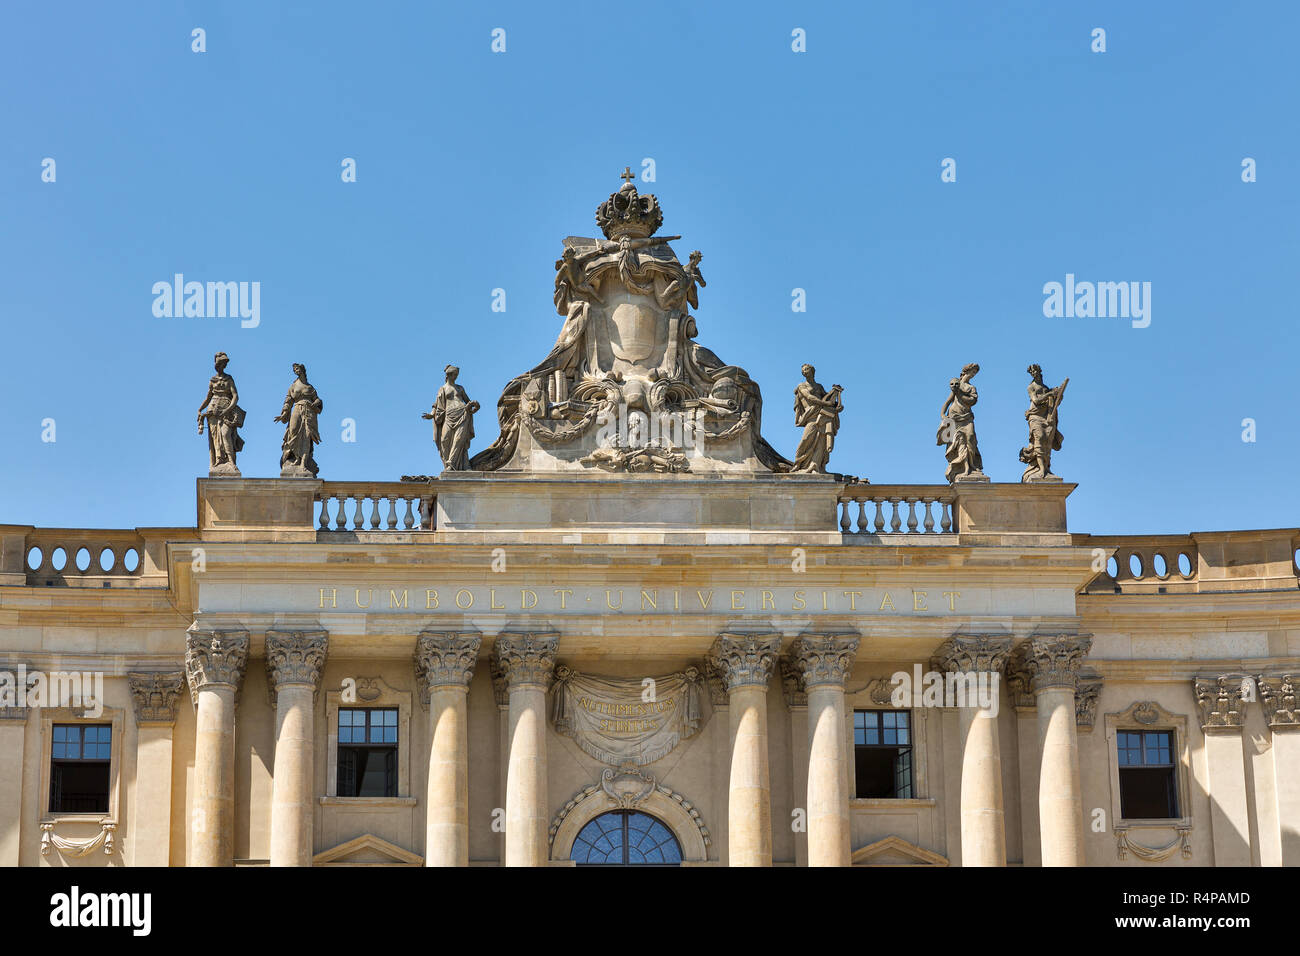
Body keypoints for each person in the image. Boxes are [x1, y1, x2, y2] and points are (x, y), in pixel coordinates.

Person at [196, 351, 245, 476]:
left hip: (226, 410)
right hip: (212, 411)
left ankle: (231, 462)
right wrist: (200, 409)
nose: (223, 365)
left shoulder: (229, 379)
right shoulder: (212, 380)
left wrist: (228, 409)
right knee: (215, 438)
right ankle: (219, 461)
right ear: (217, 365)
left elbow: (235, 396)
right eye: (221, 363)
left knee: (225, 434)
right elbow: (208, 398)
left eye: (224, 363)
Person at [424, 365, 480, 471]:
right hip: (449, 416)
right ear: (449, 375)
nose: (456, 377)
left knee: (459, 440)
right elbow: (436, 404)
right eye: (454, 374)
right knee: (444, 440)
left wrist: (475, 405)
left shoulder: (460, 388)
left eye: (457, 375)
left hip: (463, 414)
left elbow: (468, 401)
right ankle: (448, 464)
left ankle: (451, 464)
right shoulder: (443, 388)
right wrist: (431, 414)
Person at [936, 363, 985, 482]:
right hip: (954, 418)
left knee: (971, 437)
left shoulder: (971, 388)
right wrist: (943, 415)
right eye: (972, 372)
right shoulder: (957, 384)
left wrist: (959, 393)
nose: (973, 374)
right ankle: (964, 468)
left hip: (967, 417)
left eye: (974, 373)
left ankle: (973, 466)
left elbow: (972, 401)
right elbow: (948, 401)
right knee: (959, 442)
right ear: (966, 371)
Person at [791, 364, 843, 473]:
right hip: (811, 415)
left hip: (822, 415)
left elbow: (828, 399)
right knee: (806, 439)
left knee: (821, 441)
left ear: (812, 371)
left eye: (806, 369)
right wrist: (825, 402)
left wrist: (837, 405)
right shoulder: (802, 386)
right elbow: (810, 397)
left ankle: (815, 465)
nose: (804, 372)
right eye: (803, 370)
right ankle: (799, 463)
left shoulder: (819, 386)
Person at [1019, 364, 1067, 481]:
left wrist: (1057, 396)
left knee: (1047, 443)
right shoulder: (1031, 387)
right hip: (1035, 416)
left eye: (1035, 371)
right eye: (1032, 372)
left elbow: (1053, 403)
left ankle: (1046, 469)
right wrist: (1050, 394)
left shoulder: (1046, 388)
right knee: (1039, 438)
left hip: (1047, 417)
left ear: (1040, 372)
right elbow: (1036, 400)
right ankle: (1041, 470)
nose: (1034, 373)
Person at [274, 363, 323, 477]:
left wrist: (315, 403)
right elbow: (288, 401)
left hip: (309, 412)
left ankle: (303, 464)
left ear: (302, 370)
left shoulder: (310, 388)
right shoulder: (293, 386)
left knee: (306, 436)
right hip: (296, 408)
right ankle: (295, 457)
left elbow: (318, 400)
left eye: (297, 368)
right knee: (293, 432)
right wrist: (284, 413)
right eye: (294, 369)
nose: (295, 370)